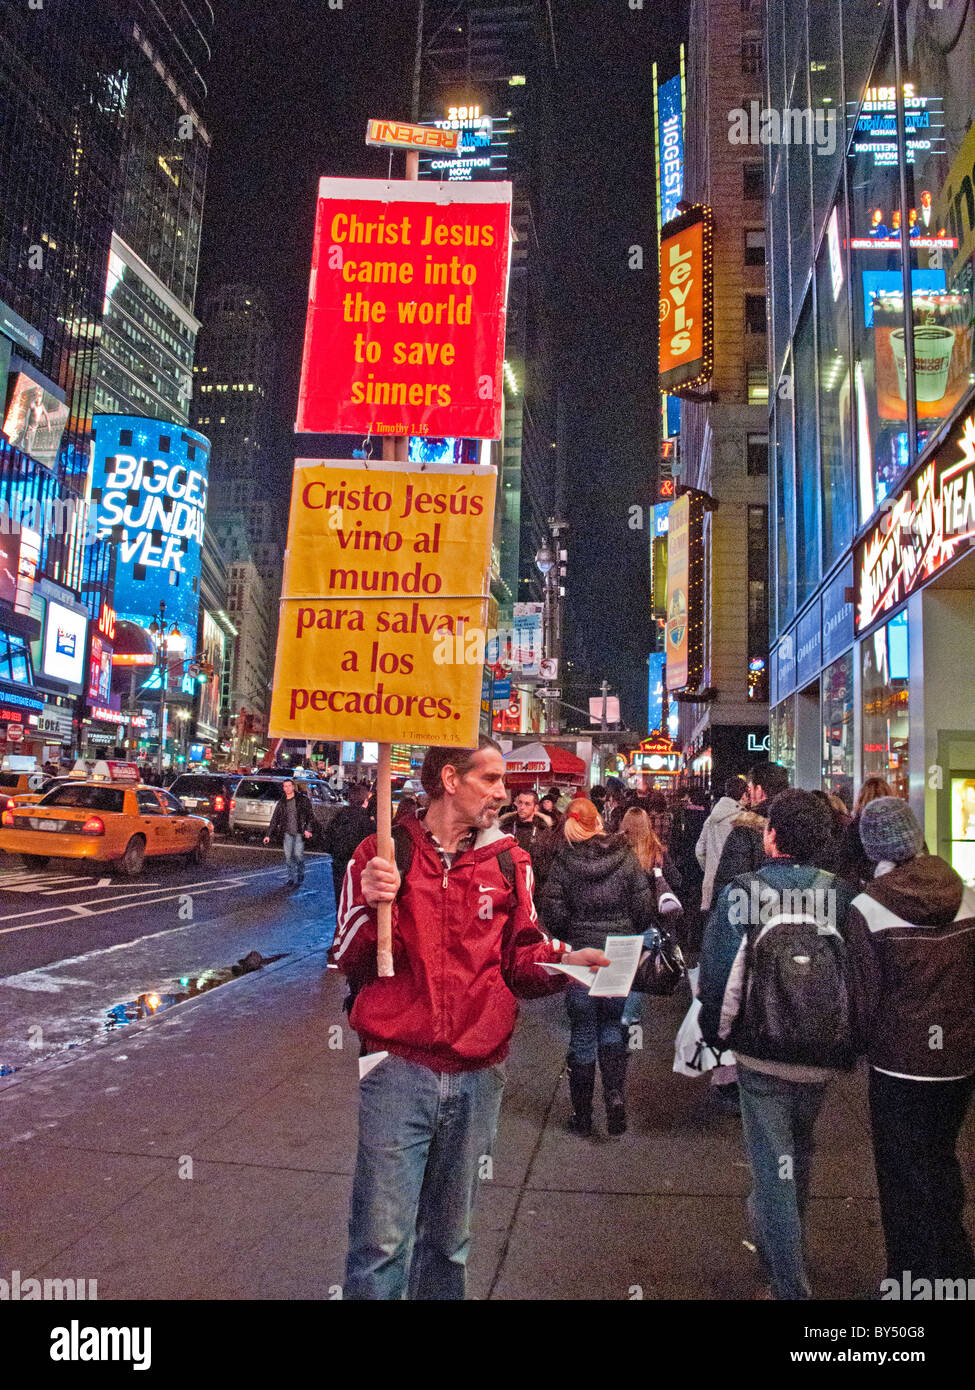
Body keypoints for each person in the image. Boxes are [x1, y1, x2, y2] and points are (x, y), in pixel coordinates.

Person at [329, 736, 609, 1300]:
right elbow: (345, 956)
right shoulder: (382, 853)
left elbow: (521, 961)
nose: (504, 794)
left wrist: (566, 962)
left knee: (449, 1241)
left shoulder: (511, 861)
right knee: (380, 1244)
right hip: (396, 1070)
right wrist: (370, 902)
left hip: (481, 1073)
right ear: (450, 781)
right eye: (491, 780)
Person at [698, 790, 856, 1300]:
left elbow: (721, 979)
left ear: (771, 837)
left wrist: (716, 1035)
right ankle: (777, 1249)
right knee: (799, 1155)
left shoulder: (745, 892)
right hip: (822, 1052)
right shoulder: (842, 894)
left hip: (761, 1051)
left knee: (772, 1169)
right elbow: (860, 977)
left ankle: (788, 1285)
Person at [845, 797, 975, 1290]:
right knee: (942, 1158)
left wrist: (858, 1048)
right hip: (960, 1058)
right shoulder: (964, 892)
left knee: (901, 1175)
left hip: (900, 1062)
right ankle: (956, 1268)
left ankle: (910, 1277)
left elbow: (864, 997)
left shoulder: (869, 907)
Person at [541, 798, 655, 1137]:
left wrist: (574, 934)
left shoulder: (564, 861)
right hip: (618, 952)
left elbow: (554, 914)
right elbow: (644, 907)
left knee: (582, 1032)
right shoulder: (625, 855)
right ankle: (615, 1096)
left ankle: (583, 1114)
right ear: (599, 822)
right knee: (610, 1026)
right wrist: (624, 933)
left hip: (582, 953)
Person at [710, 762, 791, 905]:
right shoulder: (798, 825)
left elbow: (730, 884)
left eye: (750, 789)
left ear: (759, 790)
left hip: (755, 917)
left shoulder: (746, 829)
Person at [696, 776, 747, 914]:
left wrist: (709, 869)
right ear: (743, 795)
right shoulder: (743, 819)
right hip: (734, 884)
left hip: (711, 881)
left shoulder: (712, 818)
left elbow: (700, 849)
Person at [322, 784, 375, 909]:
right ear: (365, 801)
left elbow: (328, 838)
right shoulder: (367, 820)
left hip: (339, 864)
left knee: (341, 901)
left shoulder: (340, 815)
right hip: (359, 867)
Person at [835, 777, 892, 889]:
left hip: (863, 888)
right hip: (891, 886)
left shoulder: (855, 826)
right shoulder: (896, 825)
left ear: (861, 798)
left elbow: (846, 862)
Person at [499, 789, 555, 891]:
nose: (522, 807)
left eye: (527, 804)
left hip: (535, 890)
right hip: (508, 887)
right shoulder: (504, 830)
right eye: (520, 803)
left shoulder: (544, 832)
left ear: (536, 807)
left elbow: (549, 867)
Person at [263, 779, 313, 887]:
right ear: (283, 788)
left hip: (299, 832)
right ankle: (290, 878)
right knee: (289, 857)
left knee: (298, 855)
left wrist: (308, 829)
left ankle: (300, 874)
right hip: (287, 832)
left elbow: (310, 816)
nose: (288, 788)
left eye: (289, 786)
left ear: (293, 787)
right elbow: (275, 818)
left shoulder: (302, 800)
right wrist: (268, 835)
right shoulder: (282, 802)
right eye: (285, 786)